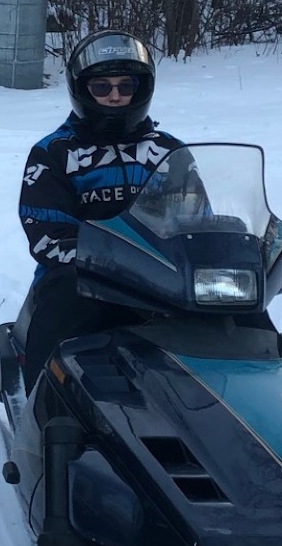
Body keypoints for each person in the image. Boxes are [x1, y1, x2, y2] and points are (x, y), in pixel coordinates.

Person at [17, 31, 183, 387]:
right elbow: (47, 232)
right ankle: (43, 409)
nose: (115, 97)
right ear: (82, 90)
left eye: (126, 86)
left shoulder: (171, 153)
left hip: (162, 278)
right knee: (63, 297)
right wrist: (109, 263)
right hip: (83, 277)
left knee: (235, 313)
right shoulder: (54, 153)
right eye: (102, 87)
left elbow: (196, 218)